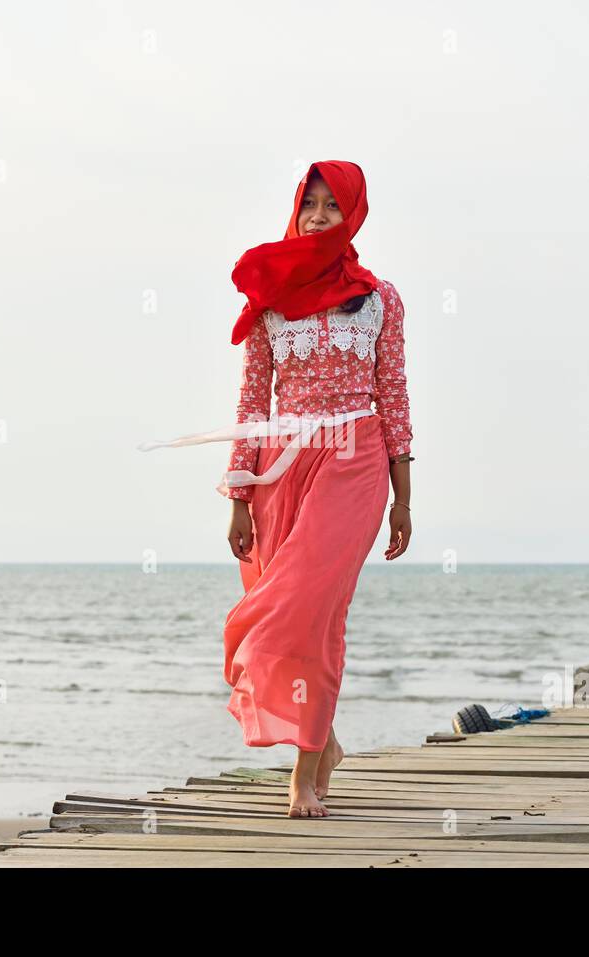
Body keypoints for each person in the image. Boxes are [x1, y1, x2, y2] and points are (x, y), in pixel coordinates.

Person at [139, 160, 413, 819]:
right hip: (279, 471)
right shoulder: (269, 304)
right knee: (302, 626)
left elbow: (395, 396)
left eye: (332, 206)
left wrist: (404, 496)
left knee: (309, 609)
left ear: (354, 216)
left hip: (356, 462)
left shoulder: (379, 300)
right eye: (308, 203)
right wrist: (238, 495)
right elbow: (251, 401)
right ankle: (325, 745)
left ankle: (302, 777)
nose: (318, 215)